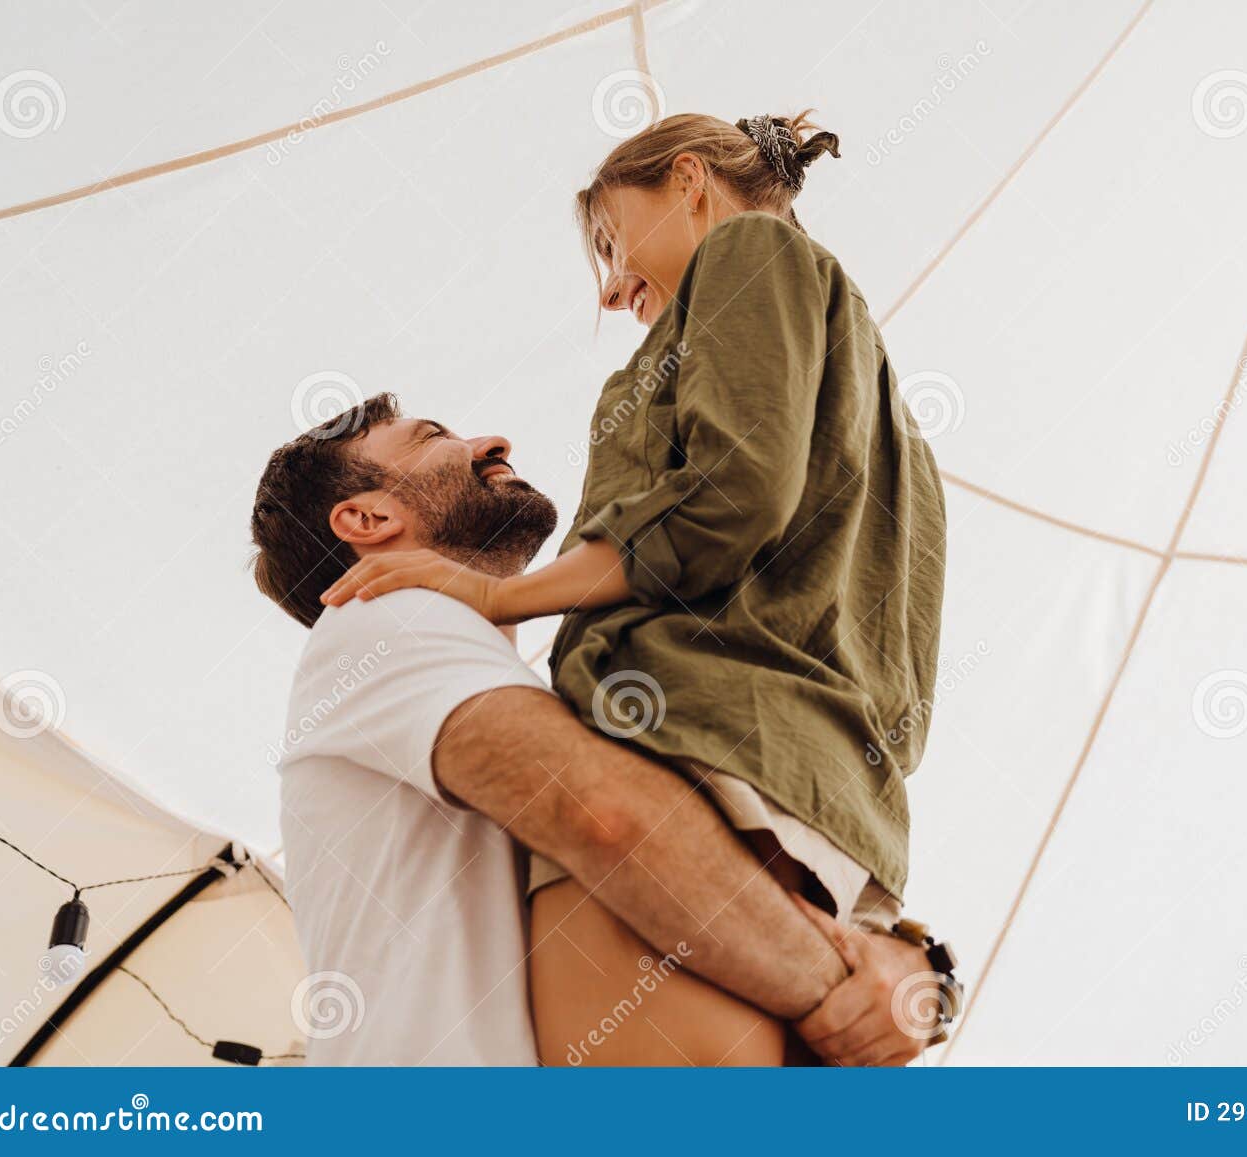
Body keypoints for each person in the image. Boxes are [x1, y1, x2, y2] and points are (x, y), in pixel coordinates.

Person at [318, 111, 950, 1065]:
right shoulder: (890, 430)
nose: (614, 289)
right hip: (816, 805)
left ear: (690, 181)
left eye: (612, 240)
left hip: (691, 753)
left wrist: (494, 599)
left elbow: (729, 493)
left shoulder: (746, 251)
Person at [252, 395, 949, 1065]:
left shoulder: (491, 675)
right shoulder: (379, 621)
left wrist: (916, 971)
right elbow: (605, 815)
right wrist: (851, 992)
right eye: (435, 437)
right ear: (368, 518)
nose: (491, 444)